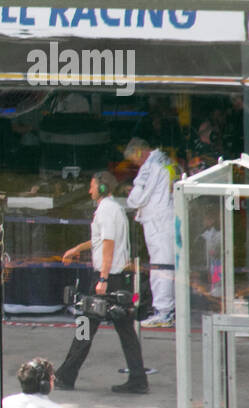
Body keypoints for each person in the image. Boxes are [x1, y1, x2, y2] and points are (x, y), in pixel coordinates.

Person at [56, 172, 149, 394]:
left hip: (108, 278)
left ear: (103, 188)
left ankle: (66, 374)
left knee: (85, 325)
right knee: (125, 329)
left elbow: (108, 245)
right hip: (116, 279)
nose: (90, 191)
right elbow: (100, 239)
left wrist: (103, 279)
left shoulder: (106, 210)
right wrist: (78, 249)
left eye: (92, 186)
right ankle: (138, 378)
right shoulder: (113, 209)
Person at [123, 138, 176, 326]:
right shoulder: (167, 160)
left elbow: (136, 199)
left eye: (134, 160)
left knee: (160, 268)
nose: (135, 164)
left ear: (139, 151)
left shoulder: (149, 166)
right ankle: (170, 310)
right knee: (169, 267)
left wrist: (131, 194)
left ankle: (164, 312)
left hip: (158, 223)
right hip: (170, 219)